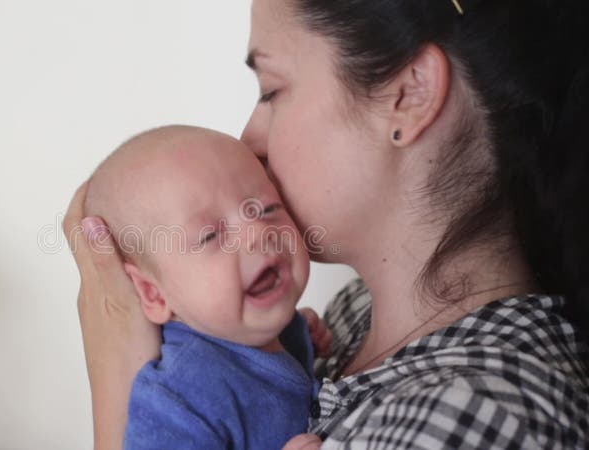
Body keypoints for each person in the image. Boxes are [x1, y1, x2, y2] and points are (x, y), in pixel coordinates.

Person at [65, 0, 589, 448]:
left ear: (409, 95)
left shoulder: (475, 418)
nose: (248, 140)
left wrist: (117, 388)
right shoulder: (354, 312)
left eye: (272, 91)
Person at [83, 125, 323, 449]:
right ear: (153, 293)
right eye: (210, 235)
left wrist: (302, 341)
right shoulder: (180, 398)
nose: (257, 232)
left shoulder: (262, 332)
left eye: (267, 208)